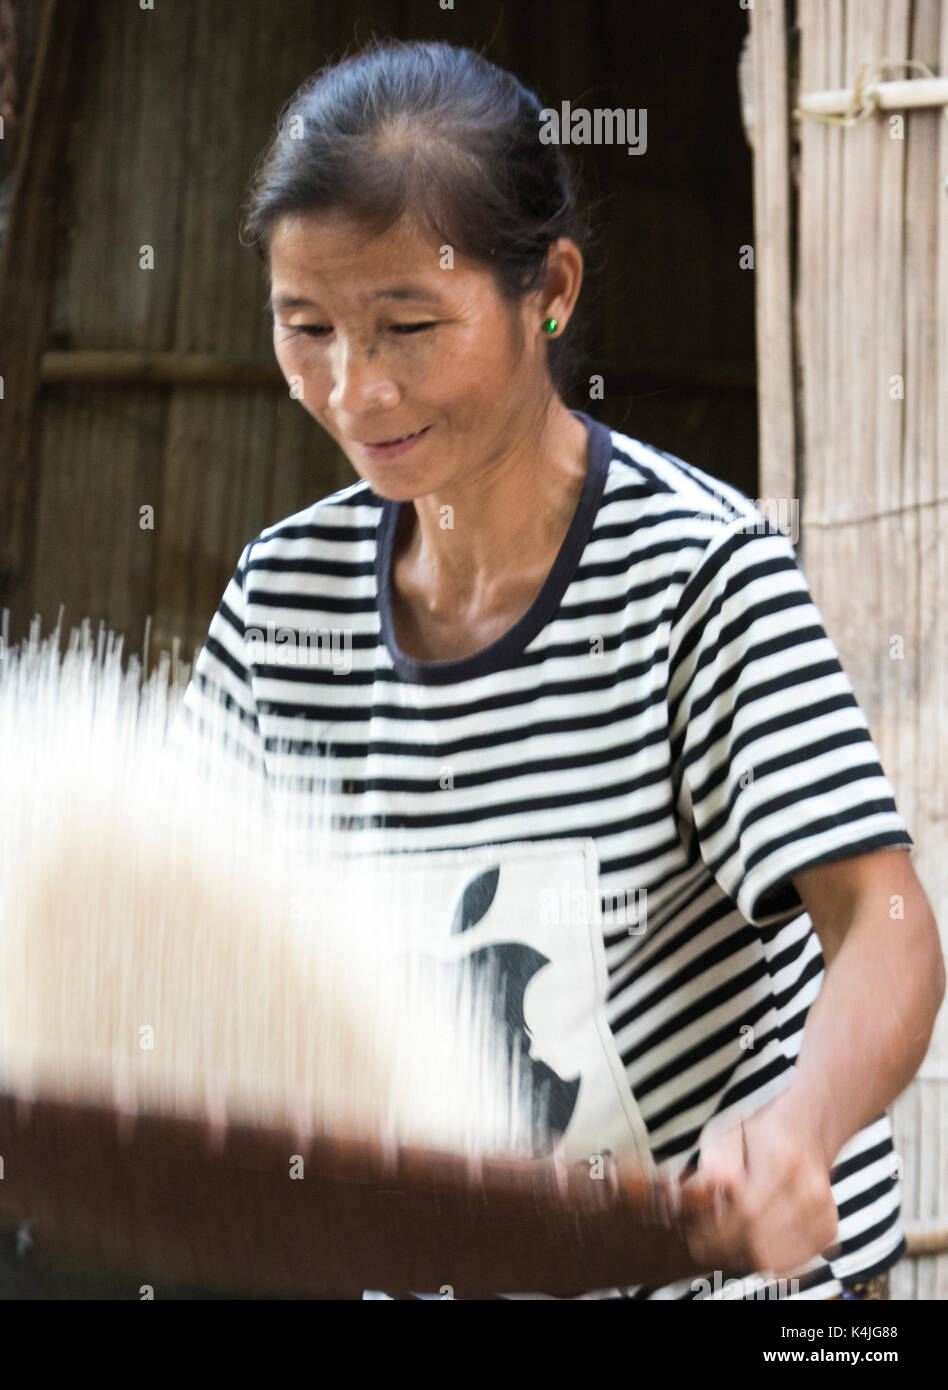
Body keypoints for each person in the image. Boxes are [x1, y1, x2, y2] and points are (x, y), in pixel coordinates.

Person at [183, 37, 944, 1301]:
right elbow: (182, 932)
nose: (354, 386)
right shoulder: (281, 604)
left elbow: (888, 925)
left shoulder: (700, 575)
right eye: (304, 327)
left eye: (407, 327)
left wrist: (800, 1129)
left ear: (550, 291)